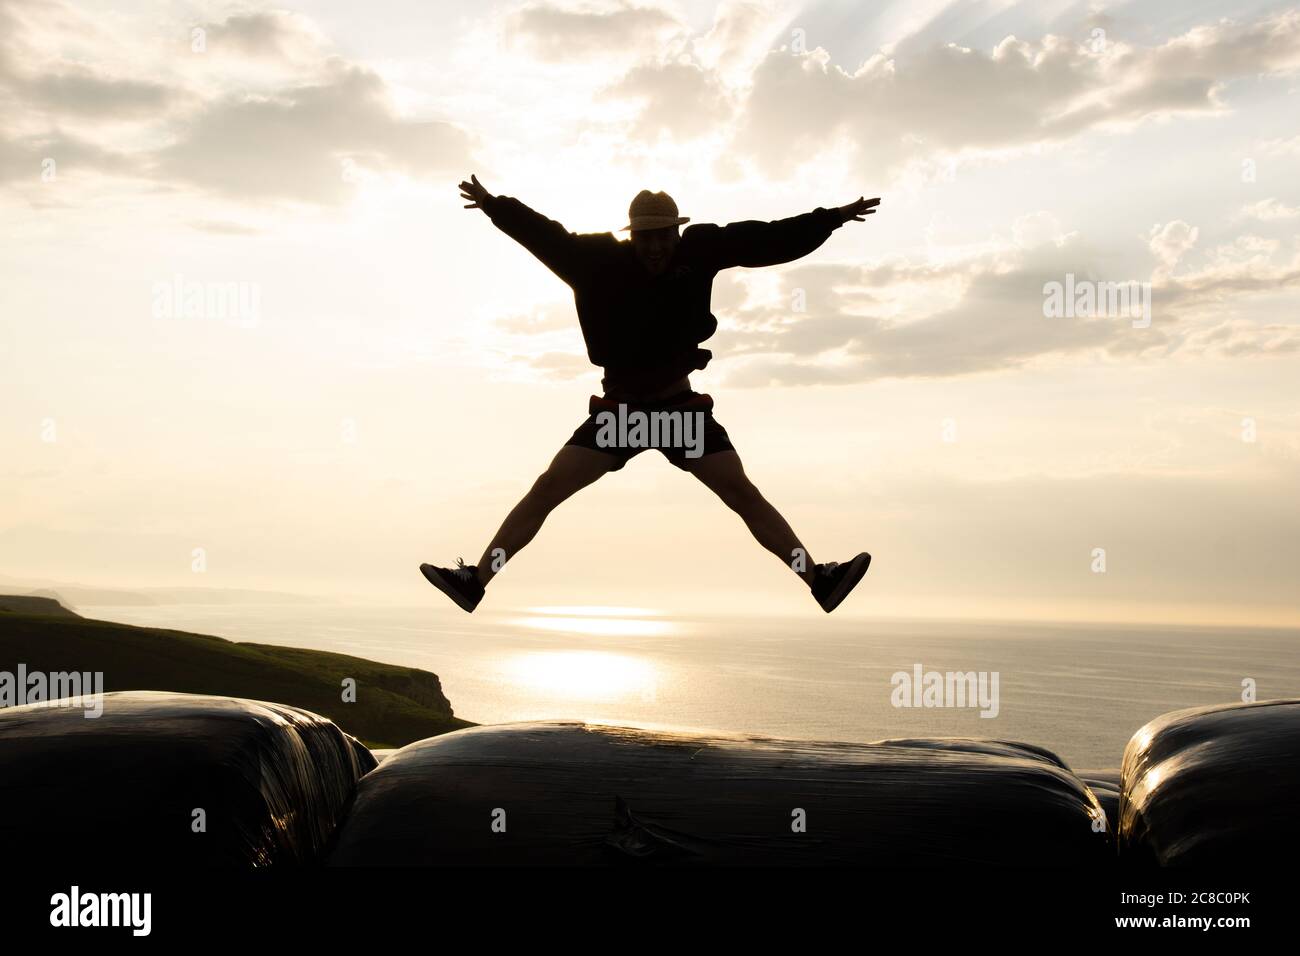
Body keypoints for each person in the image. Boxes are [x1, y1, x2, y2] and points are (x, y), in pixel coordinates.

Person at [421, 176, 880, 613]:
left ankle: (818, 580)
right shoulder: (594, 259)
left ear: (676, 233)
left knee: (745, 497)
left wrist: (831, 217)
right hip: (621, 415)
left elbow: (766, 239)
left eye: (665, 236)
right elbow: (544, 234)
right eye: (647, 237)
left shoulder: (699, 250)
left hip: (679, 411)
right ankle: (476, 581)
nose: (657, 246)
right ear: (632, 236)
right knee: (545, 491)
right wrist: (494, 205)